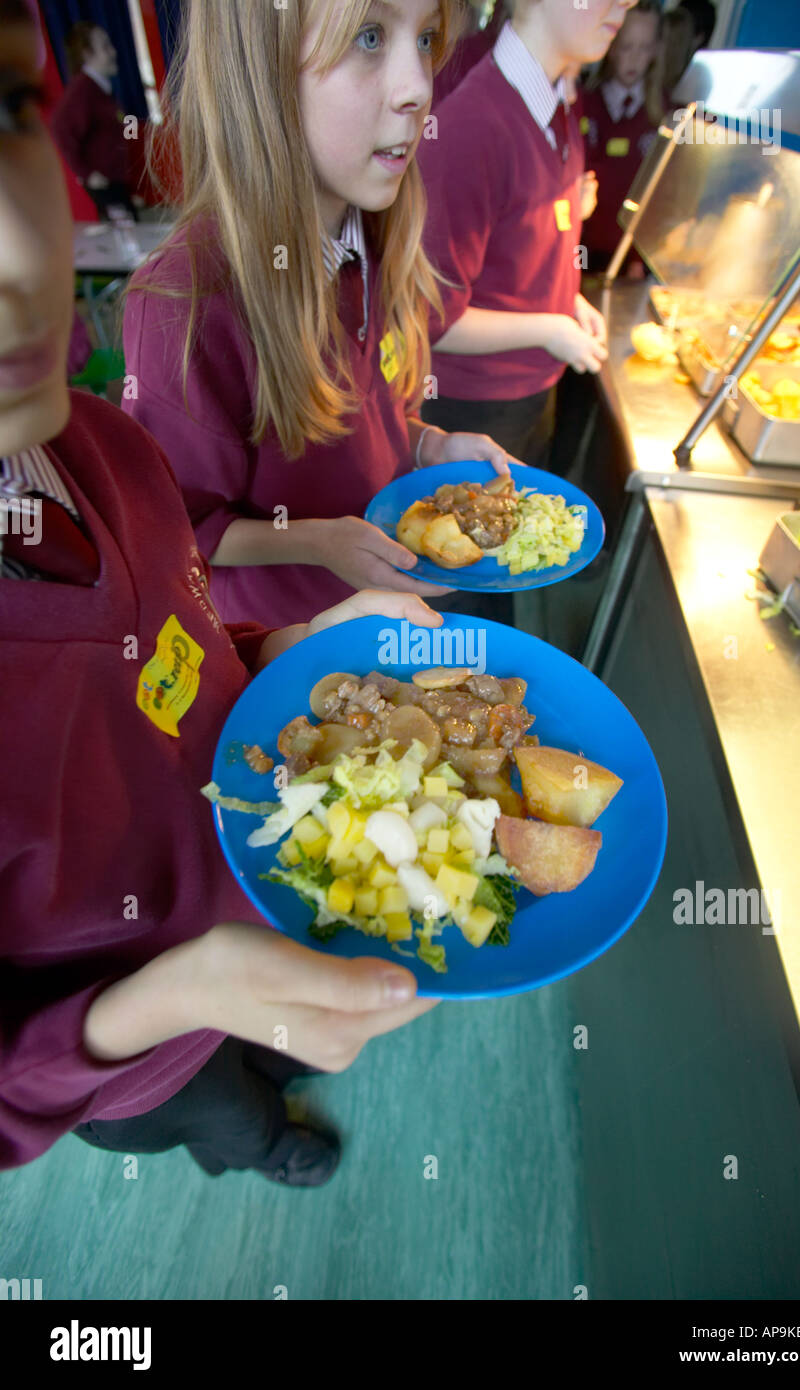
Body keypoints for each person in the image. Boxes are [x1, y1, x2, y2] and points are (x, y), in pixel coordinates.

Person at [0, 0, 442, 1188]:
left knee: (285, 1029)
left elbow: (169, 633)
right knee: (227, 1112)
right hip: (141, 1049)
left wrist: (280, 637)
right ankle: (258, 1145)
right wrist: (172, 995)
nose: (22, 247)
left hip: (255, 846)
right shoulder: (181, 306)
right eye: (364, 39)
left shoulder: (85, 441)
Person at [122, 0, 519, 634]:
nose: (419, 87)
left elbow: (370, 417)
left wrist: (429, 444)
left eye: (425, 40)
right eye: (368, 37)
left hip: (386, 613)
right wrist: (319, 542)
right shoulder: (187, 301)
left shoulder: (379, 233)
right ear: (263, 71)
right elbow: (178, 531)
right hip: (278, 648)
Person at [418, 0, 638, 471]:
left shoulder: (555, 106)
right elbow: (433, 316)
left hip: (532, 388)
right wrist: (551, 327)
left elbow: (521, 248)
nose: (628, 4)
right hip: (474, 404)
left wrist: (567, 302)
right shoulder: (473, 126)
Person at [580, 0, 665, 277]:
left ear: (654, 51)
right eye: (627, 47)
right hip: (581, 248)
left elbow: (661, 197)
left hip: (629, 259)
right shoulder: (583, 103)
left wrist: (641, 258)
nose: (634, 59)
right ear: (611, 44)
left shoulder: (664, 115)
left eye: (643, 48)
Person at [49, 20, 141, 221]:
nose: (113, 52)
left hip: (117, 181)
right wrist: (87, 173)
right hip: (105, 186)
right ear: (87, 54)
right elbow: (59, 130)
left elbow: (121, 126)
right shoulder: (82, 90)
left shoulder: (102, 89)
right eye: (105, 47)